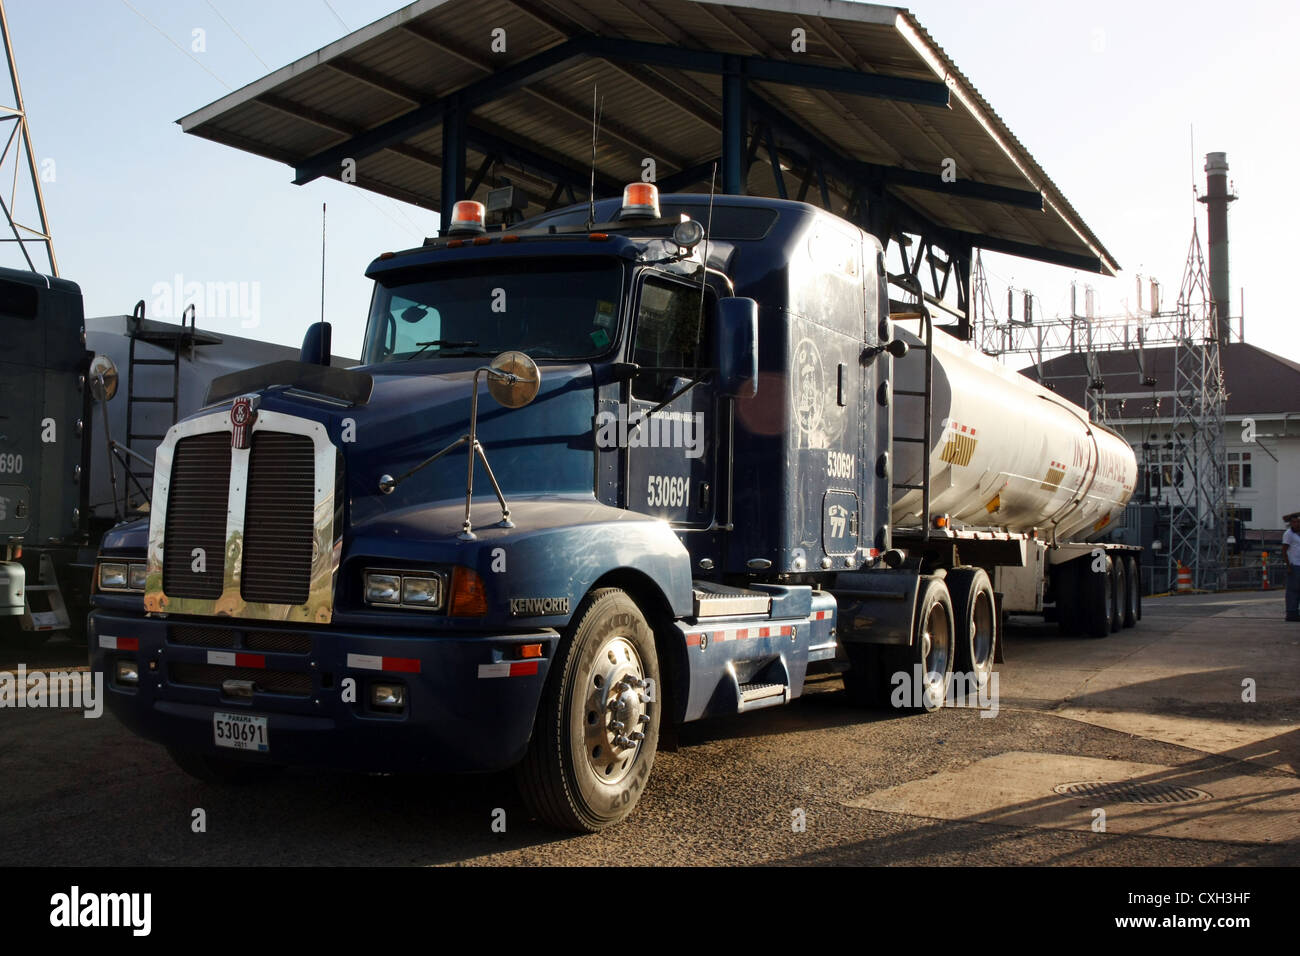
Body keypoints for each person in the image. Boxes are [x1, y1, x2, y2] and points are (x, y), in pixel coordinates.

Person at [1285, 511, 1300, 622]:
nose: (1296, 524)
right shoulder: (1288, 534)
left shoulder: (1298, 534)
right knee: (1293, 590)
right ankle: (1291, 613)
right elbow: (1284, 550)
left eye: (1298, 522)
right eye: (1294, 522)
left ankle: (1295, 612)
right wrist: (1288, 566)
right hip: (1294, 565)